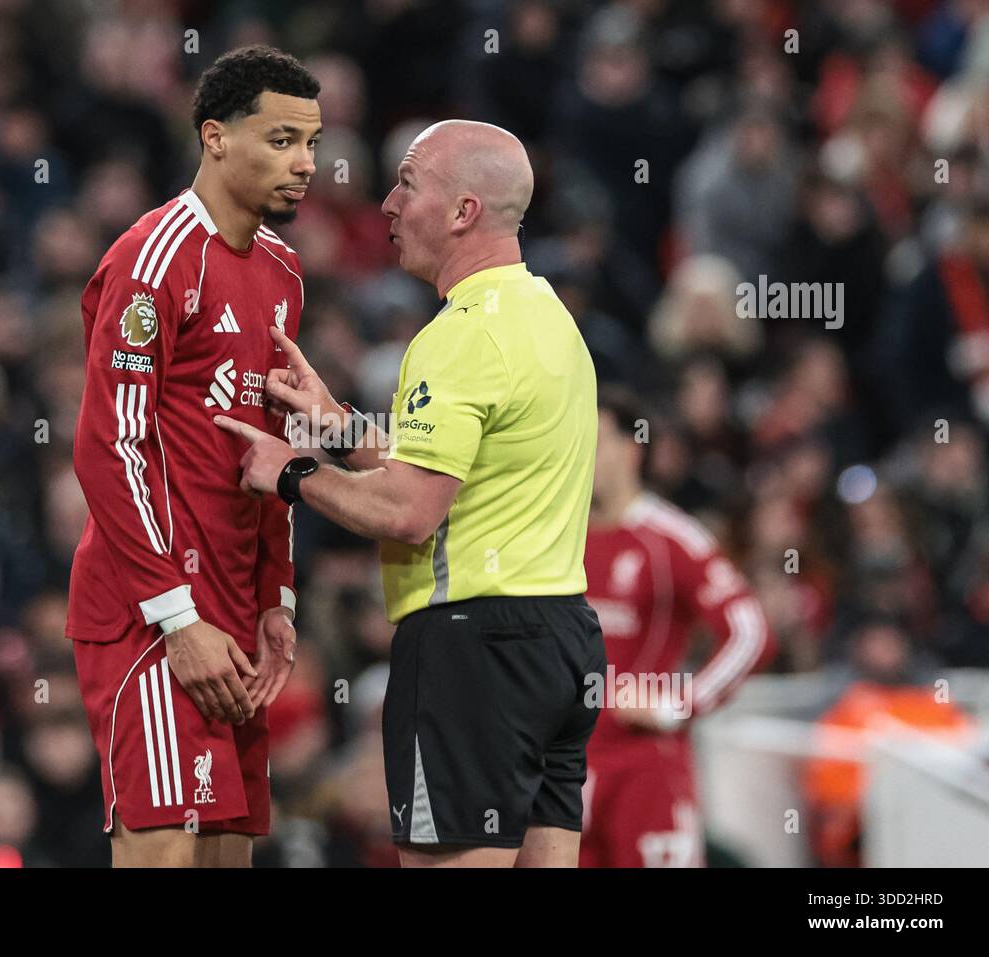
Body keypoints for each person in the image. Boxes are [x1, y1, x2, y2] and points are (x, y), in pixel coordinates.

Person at [217, 120, 604, 867]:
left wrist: (290, 471)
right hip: (563, 641)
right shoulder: (548, 317)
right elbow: (459, 467)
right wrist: (337, 425)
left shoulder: (456, 336)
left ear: (463, 212)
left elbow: (409, 510)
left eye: (408, 184)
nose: (387, 204)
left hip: (472, 651)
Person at [66, 46, 322, 868]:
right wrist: (177, 617)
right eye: (282, 139)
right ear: (215, 136)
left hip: (236, 617)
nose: (306, 163)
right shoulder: (152, 259)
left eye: (312, 142)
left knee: (224, 858)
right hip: (151, 613)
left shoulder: (284, 271)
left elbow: (272, 448)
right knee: (162, 854)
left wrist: (275, 595)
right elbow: (110, 444)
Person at [580, 387, 772, 867]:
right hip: (561, 766)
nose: (579, 454)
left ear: (632, 449)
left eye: (595, 440)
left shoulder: (670, 539)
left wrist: (679, 704)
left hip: (645, 767)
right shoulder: (552, 538)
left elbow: (749, 631)